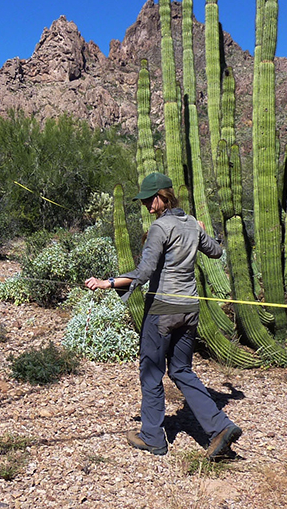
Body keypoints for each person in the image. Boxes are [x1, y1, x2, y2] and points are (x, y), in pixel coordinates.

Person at [85, 172, 242, 459]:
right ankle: (220, 426)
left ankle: (153, 438)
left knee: (152, 373)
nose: (145, 204)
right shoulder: (192, 223)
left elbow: (144, 272)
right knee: (181, 370)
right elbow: (217, 252)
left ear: (161, 197)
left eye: (148, 199)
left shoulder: (160, 228)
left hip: (163, 311)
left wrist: (107, 283)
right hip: (189, 310)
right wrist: (205, 233)